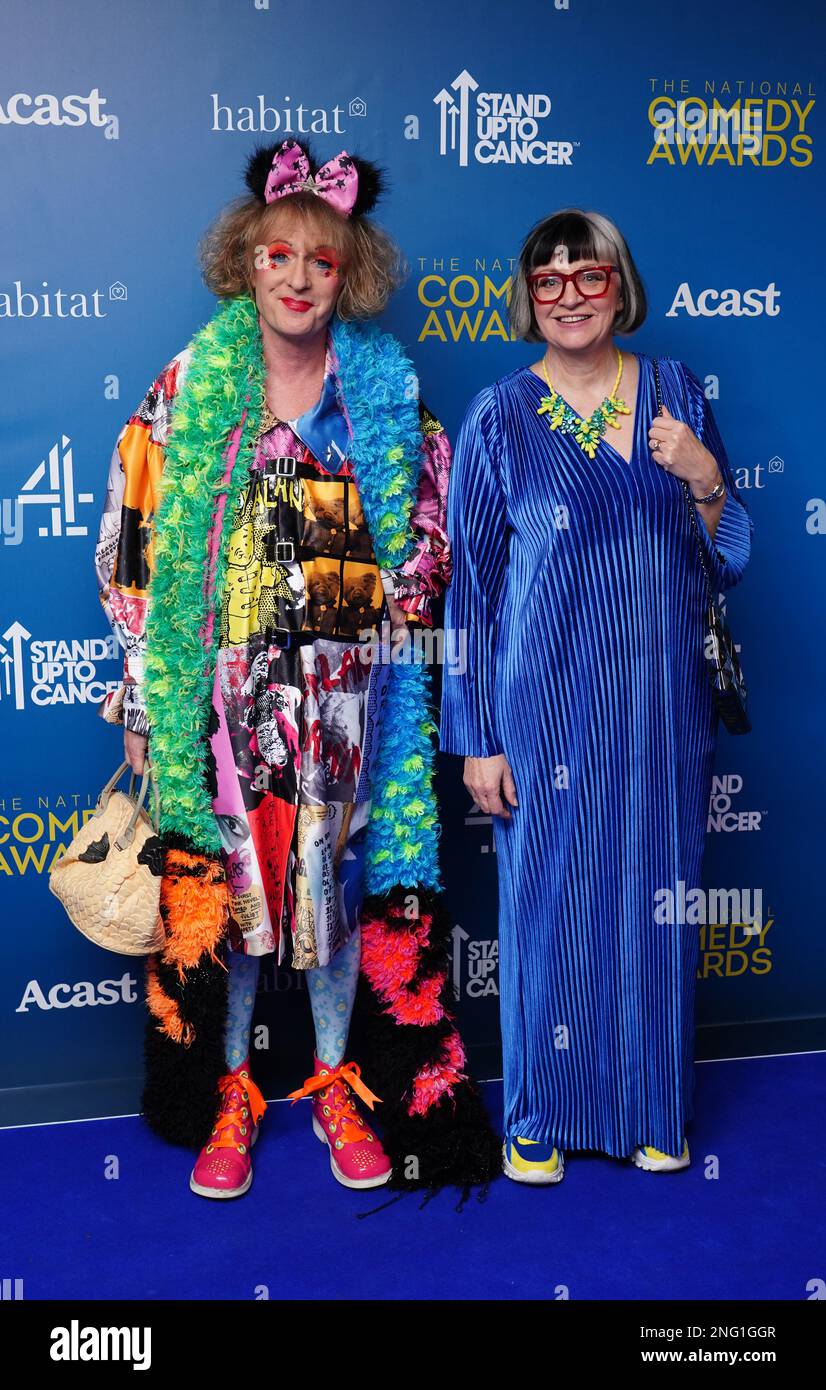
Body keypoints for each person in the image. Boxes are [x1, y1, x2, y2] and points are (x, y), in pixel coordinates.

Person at [95, 138, 499, 1198]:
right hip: (223, 690)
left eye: (319, 262)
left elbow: (427, 525)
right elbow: (140, 532)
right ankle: (228, 1086)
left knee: (332, 883)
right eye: (277, 255)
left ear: (347, 273)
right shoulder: (190, 382)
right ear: (247, 261)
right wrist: (146, 678)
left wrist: (393, 607)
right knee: (223, 894)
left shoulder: (379, 388)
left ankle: (330, 1078)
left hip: (342, 693)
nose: (296, 278)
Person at [440, 207, 753, 1185]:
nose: (569, 293)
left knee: (657, 902)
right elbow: (470, 591)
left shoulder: (677, 392)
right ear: (528, 296)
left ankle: (654, 1104)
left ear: (620, 285)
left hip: (661, 704)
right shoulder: (498, 415)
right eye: (549, 279)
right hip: (542, 713)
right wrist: (476, 739)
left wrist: (706, 480)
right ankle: (536, 1112)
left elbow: (728, 550)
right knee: (546, 906)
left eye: (589, 275)